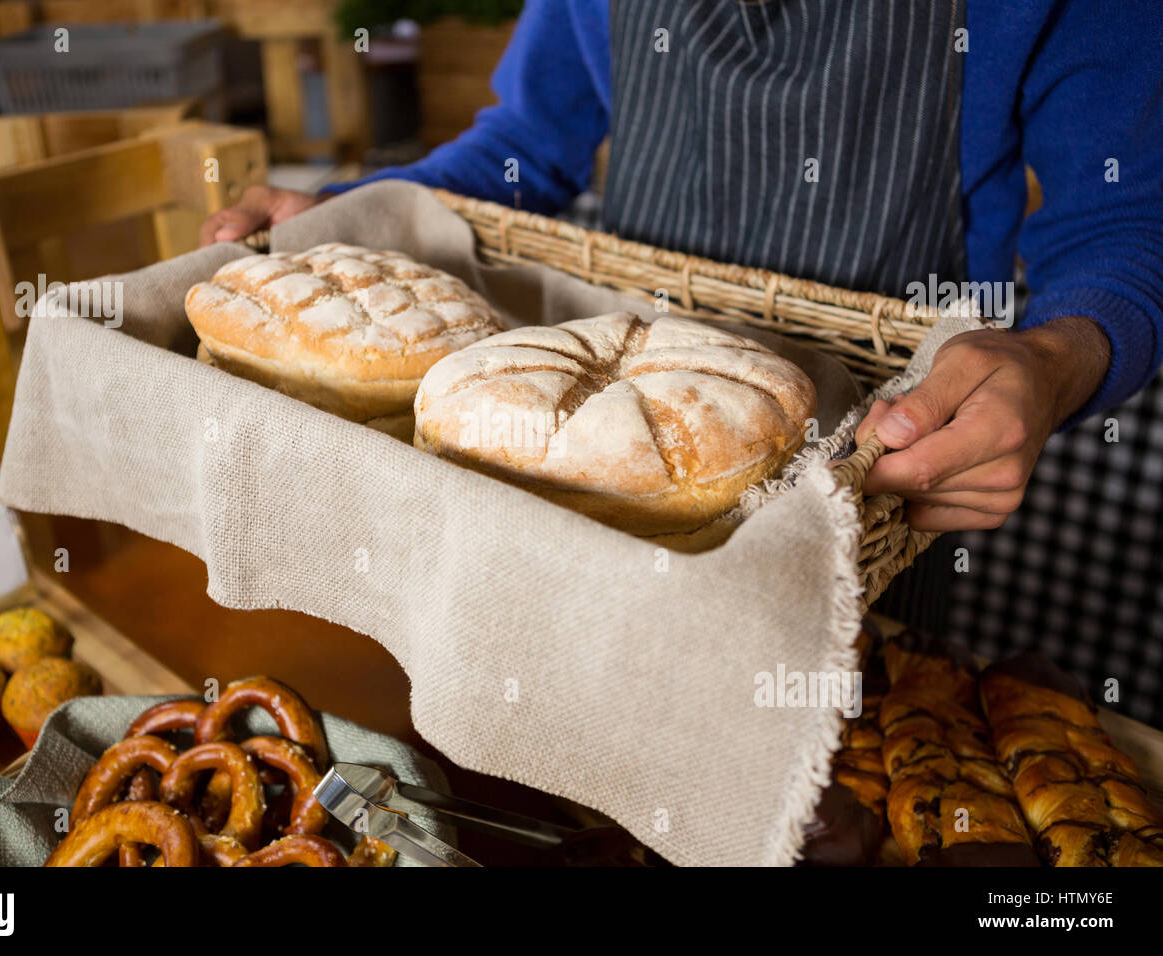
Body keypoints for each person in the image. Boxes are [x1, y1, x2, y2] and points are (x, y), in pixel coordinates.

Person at [200, 0, 1162, 646]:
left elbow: (1125, 219)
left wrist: (1054, 358)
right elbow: (525, 146)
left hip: (875, 471)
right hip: (584, 462)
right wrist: (344, 216)